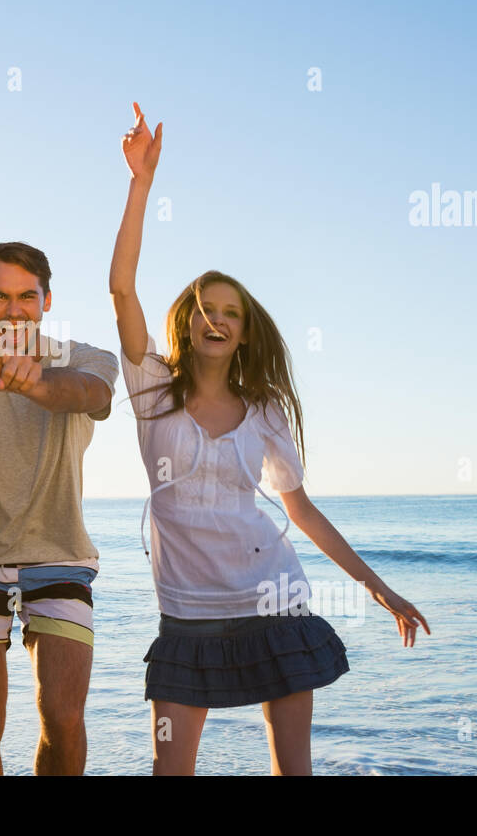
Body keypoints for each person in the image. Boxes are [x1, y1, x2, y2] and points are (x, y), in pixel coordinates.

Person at [108, 102, 431, 776]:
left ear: (245, 331)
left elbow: (300, 510)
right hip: (187, 616)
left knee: (295, 772)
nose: (218, 320)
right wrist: (141, 183)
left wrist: (379, 589)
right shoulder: (151, 391)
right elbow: (120, 288)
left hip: (273, 601)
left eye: (232, 312)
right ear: (188, 323)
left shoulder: (266, 413)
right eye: (207, 310)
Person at [0, 242, 120, 775]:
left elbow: (89, 394)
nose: (14, 309)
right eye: (1, 296)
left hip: (61, 554)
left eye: (27, 296)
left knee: (62, 716)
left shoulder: (86, 359)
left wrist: (38, 382)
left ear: (47, 299)